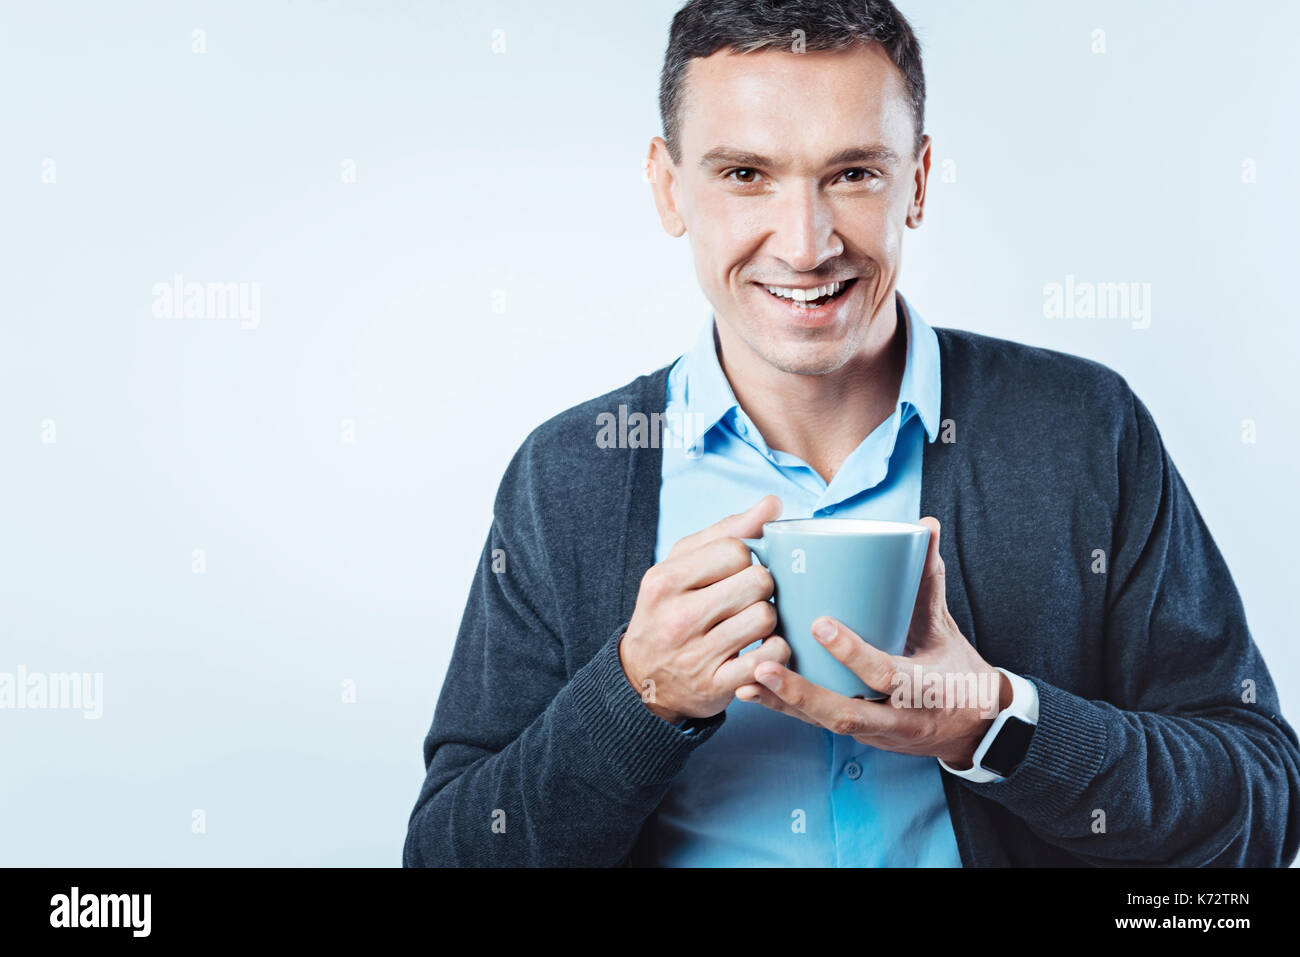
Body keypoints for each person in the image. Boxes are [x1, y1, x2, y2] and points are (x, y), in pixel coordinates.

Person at [403, 0, 1300, 866]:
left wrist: (996, 722)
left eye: (852, 173)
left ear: (914, 181)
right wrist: (636, 698)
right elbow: (448, 853)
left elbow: (1262, 804)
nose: (803, 245)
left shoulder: (1084, 432)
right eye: (745, 174)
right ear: (669, 186)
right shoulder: (568, 478)